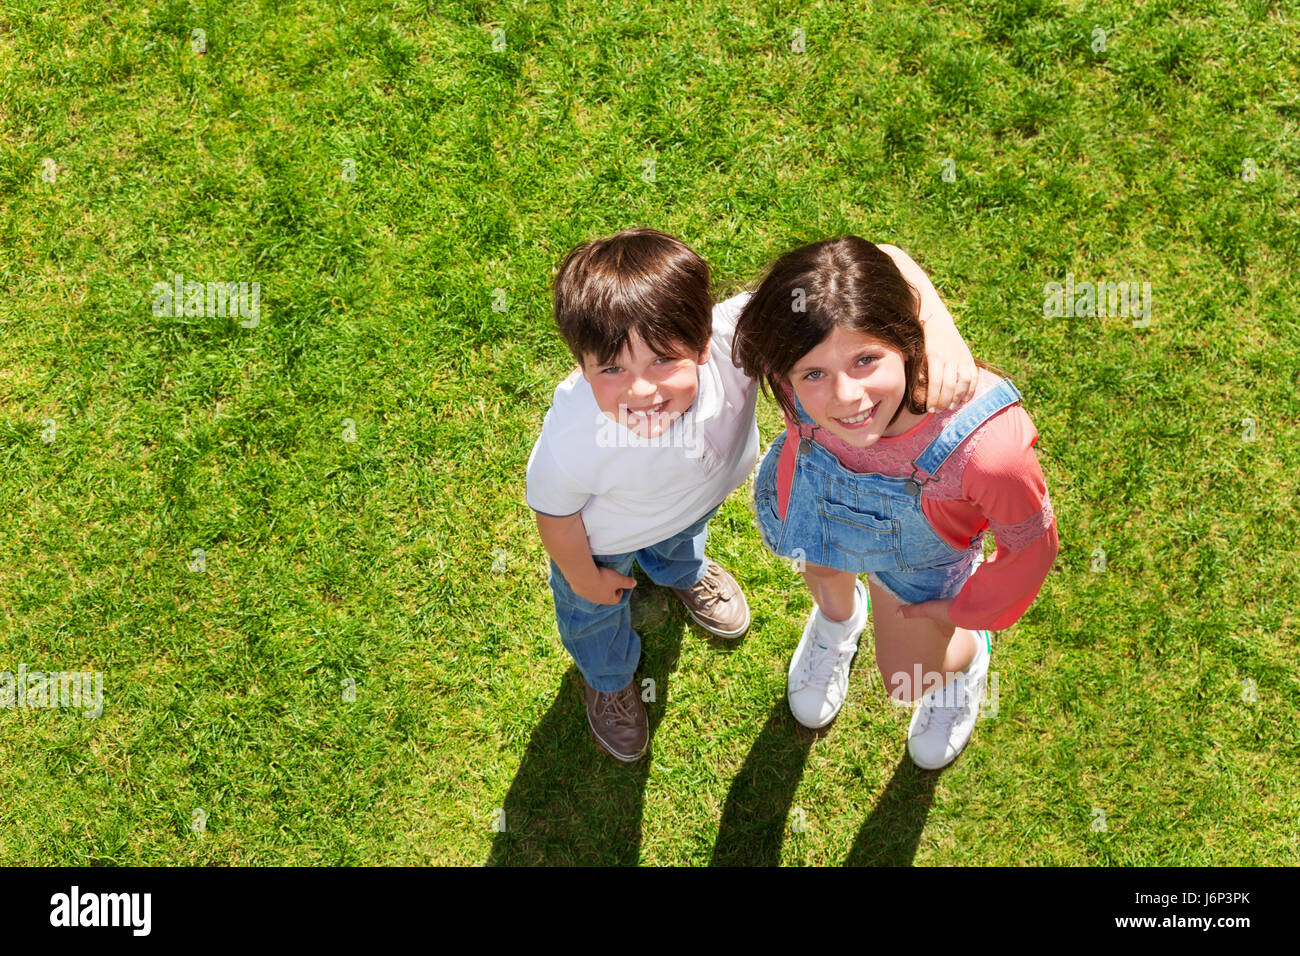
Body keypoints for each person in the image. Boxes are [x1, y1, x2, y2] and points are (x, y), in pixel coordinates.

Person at [526, 228, 977, 763]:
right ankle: (609, 680)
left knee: (680, 546)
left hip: (691, 509)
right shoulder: (572, 435)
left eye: (663, 361)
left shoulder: (735, 338)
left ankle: (682, 575)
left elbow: (876, 261)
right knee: (592, 615)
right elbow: (554, 513)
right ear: (581, 365)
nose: (641, 390)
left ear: (700, 341)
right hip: (602, 542)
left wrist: (939, 328)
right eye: (612, 369)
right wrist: (584, 575)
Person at [732, 236, 1058, 770]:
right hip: (814, 514)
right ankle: (838, 623)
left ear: (907, 339)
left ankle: (968, 658)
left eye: (865, 360)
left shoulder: (988, 449)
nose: (846, 399)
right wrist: (931, 312)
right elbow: (880, 252)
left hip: (916, 563)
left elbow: (1030, 552)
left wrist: (962, 612)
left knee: (909, 679)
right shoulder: (787, 342)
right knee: (823, 578)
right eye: (813, 374)